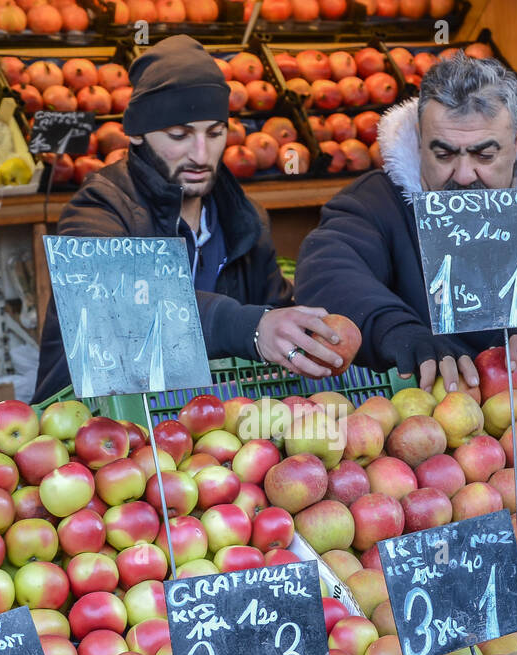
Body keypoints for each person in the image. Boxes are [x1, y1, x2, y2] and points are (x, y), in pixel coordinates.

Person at [295, 54, 517, 393]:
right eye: (443, 154)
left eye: (485, 155)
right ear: (419, 139)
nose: (463, 175)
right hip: (421, 410)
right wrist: (396, 330)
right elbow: (327, 268)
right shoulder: (373, 201)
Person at [32, 35, 342, 403]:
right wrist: (249, 326)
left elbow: (275, 312)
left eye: (214, 133)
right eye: (179, 135)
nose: (200, 154)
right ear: (136, 135)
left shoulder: (245, 220)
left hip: (212, 430)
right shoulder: (99, 210)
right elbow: (125, 310)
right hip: (99, 427)